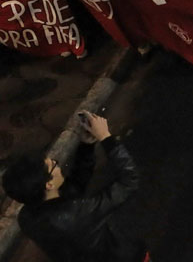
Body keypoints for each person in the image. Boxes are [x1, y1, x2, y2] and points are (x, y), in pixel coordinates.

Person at [2, 111, 147, 261]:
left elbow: (74, 187)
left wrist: (86, 146)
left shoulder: (27, 218)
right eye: (54, 165)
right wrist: (106, 137)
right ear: (49, 184)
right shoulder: (81, 213)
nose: (57, 165)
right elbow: (129, 180)